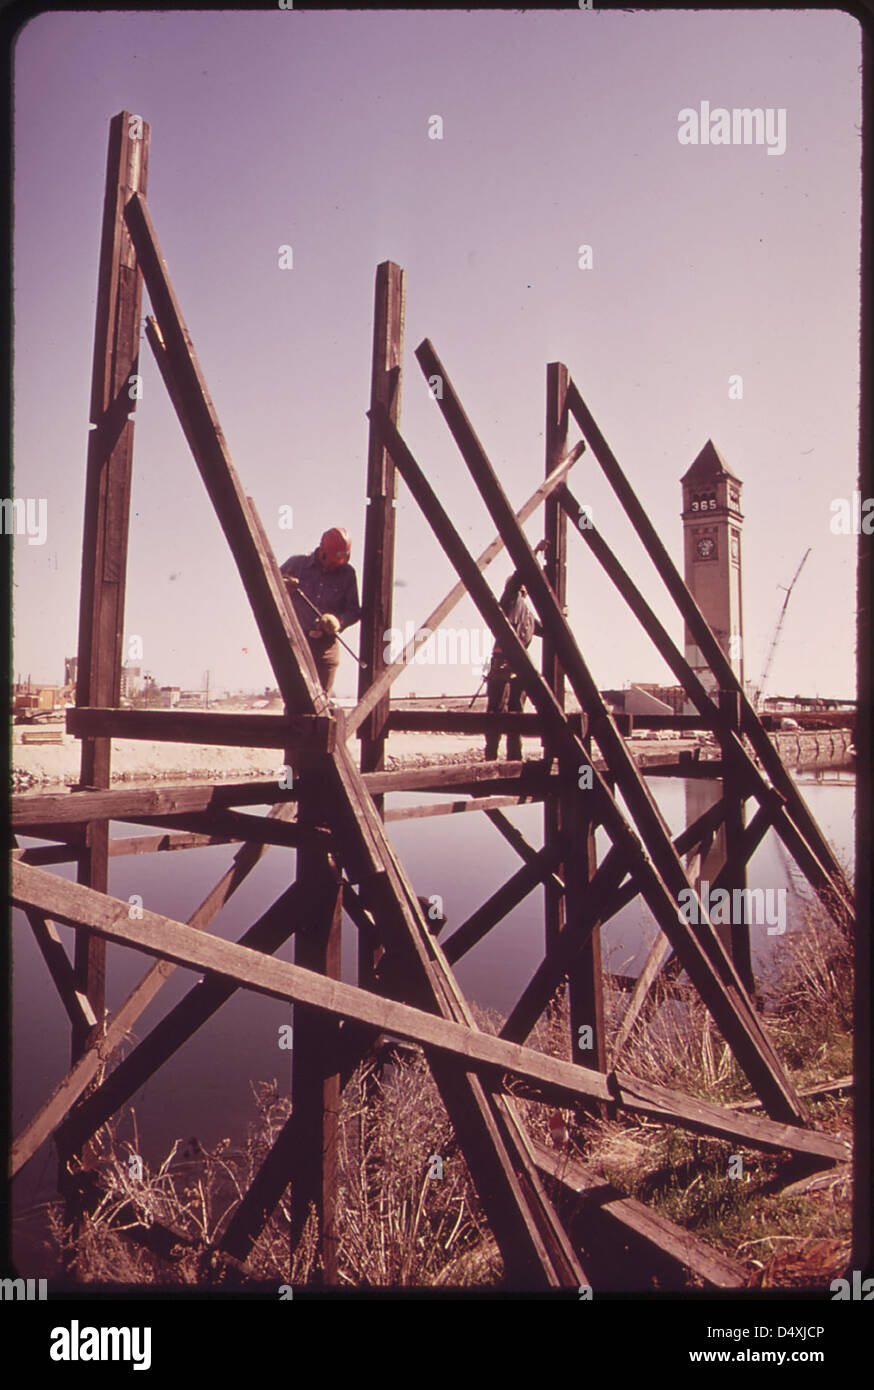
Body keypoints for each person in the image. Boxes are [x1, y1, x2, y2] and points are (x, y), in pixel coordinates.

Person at [281, 527, 361, 695]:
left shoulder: (347, 573)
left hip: (326, 646)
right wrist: (282, 586)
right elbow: (266, 585)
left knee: (321, 701)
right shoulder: (296, 565)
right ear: (322, 551)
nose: (334, 567)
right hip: (297, 642)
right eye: (331, 562)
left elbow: (354, 611)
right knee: (296, 699)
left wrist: (338, 623)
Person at [484, 570, 543, 761]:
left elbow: (545, 629)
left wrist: (562, 615)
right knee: (498, 709)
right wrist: (536, 552)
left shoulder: (526, 613)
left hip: (519, 666)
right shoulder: (510, 600)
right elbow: (517, 578)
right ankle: (492, 757)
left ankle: (513, 758)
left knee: (514, 710)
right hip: (503, 663)